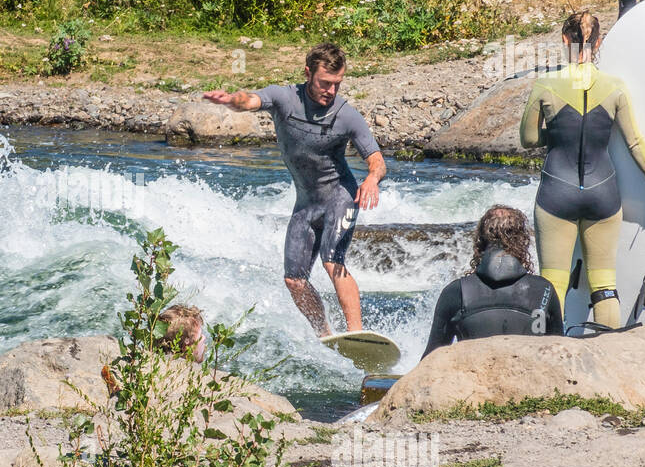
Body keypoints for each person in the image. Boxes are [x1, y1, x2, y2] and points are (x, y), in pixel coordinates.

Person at [204, 42, 386, 337]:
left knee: (331, 260)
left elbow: (377, 161)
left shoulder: (346, 115)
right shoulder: (283, 98)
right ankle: (324, 334)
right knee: (294, 280)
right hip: (306, 204)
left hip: (340, 196)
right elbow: (250, 99)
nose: (331, 91)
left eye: (337, 84)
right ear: (307, 73)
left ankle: (357, 333)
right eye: (325, 83)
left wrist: (371, 180)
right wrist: (230, 101)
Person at [519, 11, 645, 328]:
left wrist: (554, 134)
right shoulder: (615, 87)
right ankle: (607, 352)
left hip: (556, 193)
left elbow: (528, 139)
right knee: (604, 285)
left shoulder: (545, 84)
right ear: (598, 43)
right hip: (603, 193)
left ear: (565, 40)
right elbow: (635, 143)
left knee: (552, 283)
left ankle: (545, 352)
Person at [422, 205, 562, 356]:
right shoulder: (544, 289)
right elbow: (558, 354)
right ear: (522, 240)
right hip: (526, 376)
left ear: (480, 241)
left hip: (474, 376)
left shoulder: (457, 291)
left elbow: (431, 358)